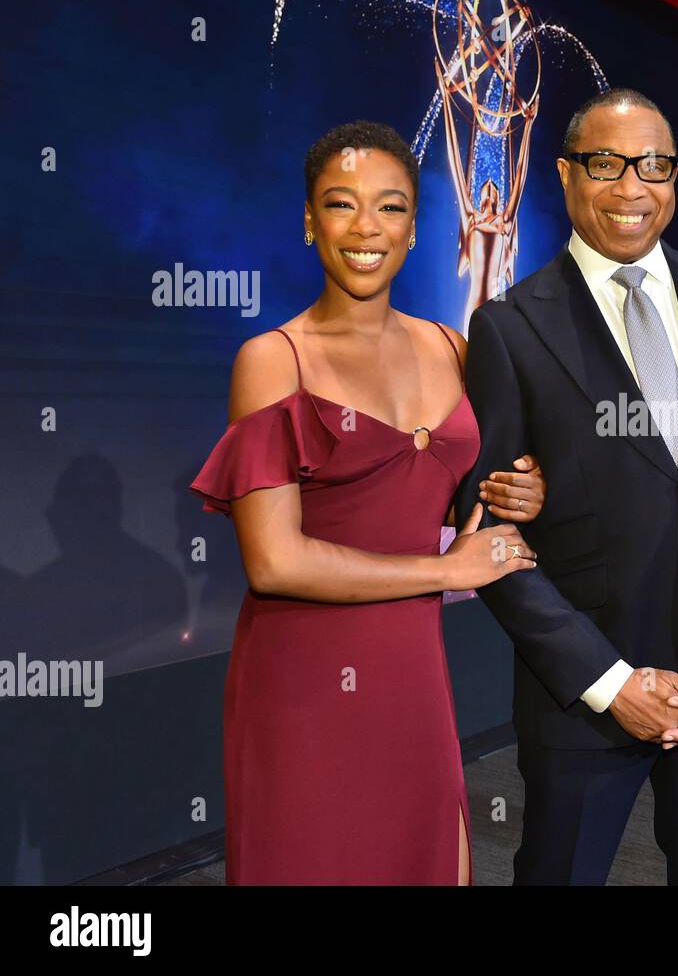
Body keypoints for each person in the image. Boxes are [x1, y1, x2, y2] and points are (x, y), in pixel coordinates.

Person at [189, 121, 548, 885]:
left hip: (413, 671)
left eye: (389, 207)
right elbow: (275, 561)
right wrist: (443, 568)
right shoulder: (272, 360)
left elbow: (463, 501)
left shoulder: (452, 347)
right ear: (310, 221)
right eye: (341, 204)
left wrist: (522, 490)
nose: (365, 228)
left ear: (415, 229)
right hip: (303, 678)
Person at [454, 89, 678, 885]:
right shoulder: (509, 326)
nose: (632, 186)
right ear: (566, 176)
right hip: (583, 703)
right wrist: (612, 684)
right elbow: (490, 537)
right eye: (606, 164)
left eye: (654, 165)